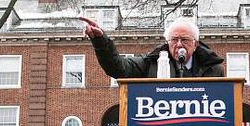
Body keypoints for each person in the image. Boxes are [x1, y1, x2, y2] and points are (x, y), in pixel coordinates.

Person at [82, 16, 225, 78]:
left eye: (185, 39)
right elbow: (118, 67)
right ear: (168, 42)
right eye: (174, 39)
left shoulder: (213, 69)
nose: (179, 44)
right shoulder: (151, 64)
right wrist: (100, 40)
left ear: (196, 44)